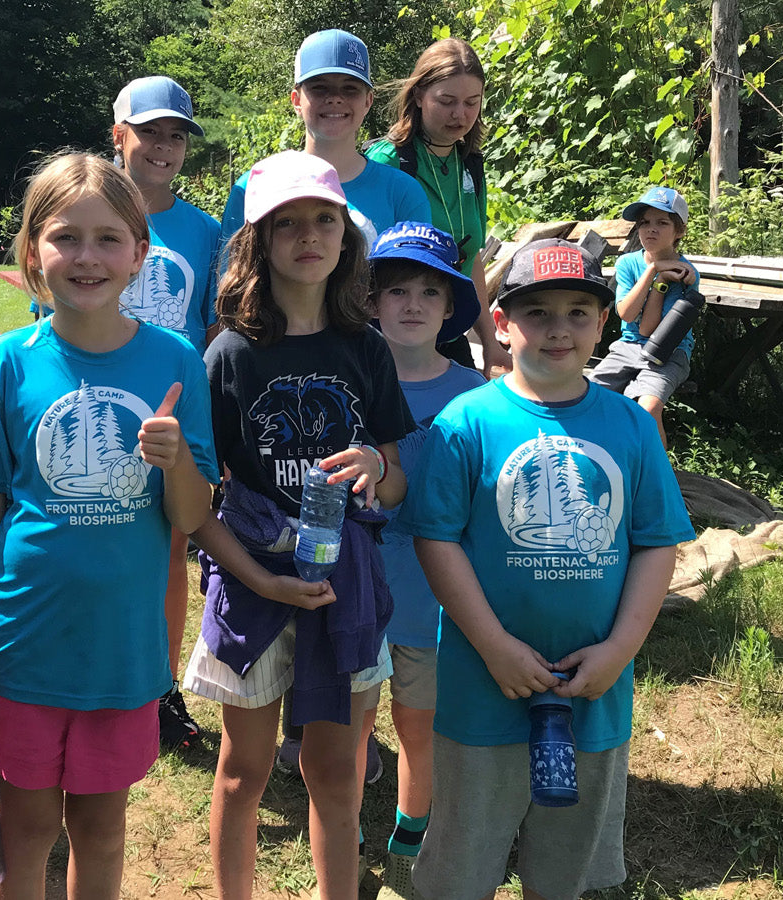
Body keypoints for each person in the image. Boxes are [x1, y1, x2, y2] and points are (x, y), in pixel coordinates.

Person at [0, 152, 218, 900]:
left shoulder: (176, 362)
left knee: (101, 827)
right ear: (33, 251)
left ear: (140, 252)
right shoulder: (4, 367)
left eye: (108, 238)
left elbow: (191, 519)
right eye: (67, 237)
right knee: (24, 826)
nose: (87, 256)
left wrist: (175, 464)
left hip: (121, 649)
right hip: (22, 643)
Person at [399, 239, 694, 900]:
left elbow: (656, 543)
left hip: (594, 693)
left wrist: (620, 650)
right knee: (461, 867)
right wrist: (496, 647)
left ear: (603, 322)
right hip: (484, 688)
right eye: (536, 312)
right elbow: (436, 540)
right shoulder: (466, 422)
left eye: (578, 312)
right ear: (501, 323)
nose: (559, 328)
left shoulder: (632, 427)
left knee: (564, 872)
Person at [183, 150, 413, 900]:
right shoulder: (230, 355)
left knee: (335, 767)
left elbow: (397, 475)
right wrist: (258, 574)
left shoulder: (365, 347)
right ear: (257, 240)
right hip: (252, 588)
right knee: (245, 770)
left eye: (324, 220)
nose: (308, 236)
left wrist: (378, 474)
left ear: (347, 237)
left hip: (343, 585)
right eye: (286, 224)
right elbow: (199, 499)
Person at [362, 222, 485, 900]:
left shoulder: (477, 397)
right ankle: (342, 844)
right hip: (354, 589)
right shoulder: (348, 377)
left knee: (419, 729)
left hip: (433, 600)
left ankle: (410, 845)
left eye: (429, 293)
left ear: (449, 309)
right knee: (346, 729)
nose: (411, 304)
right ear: (372, 302)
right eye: (396, 290)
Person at [109, 74, 222, 750]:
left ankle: (158, 685)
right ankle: (105, 670)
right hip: (99, 407)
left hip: (176, 415)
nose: (163, 146)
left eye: (176, 135)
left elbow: (210, 329)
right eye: (149, 131)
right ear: (118, 133)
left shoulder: (204, 231)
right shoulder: (93, 212)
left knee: (172, 549)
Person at [365, 37, 510, 377]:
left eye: (471, 103)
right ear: (417, 96)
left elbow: (471, 256)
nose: (460, 114)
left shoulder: (470, 164)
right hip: (388, 336)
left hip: (445, 326)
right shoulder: (387, 163)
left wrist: (490, 342)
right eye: (447, 101)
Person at [218, 29, 430, 256]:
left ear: (368, 101)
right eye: (319, 88)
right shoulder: (253, 188)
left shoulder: (403, 193)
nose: (335, 98)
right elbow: (231, 285)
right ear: (297, 100)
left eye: (350, 88)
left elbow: (415, 285)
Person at [588, 186, 700, 445]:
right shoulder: (628, 263)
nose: (651, 229)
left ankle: (658, 478)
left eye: (662, 223)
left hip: (670, 353)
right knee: (589, 397)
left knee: (647, 409)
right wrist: (654, 272)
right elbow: (626, 314)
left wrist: (661, 281)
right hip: (627, 347)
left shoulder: (687, 274)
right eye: (645, 223)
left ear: (679, 231)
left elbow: (651, 331)